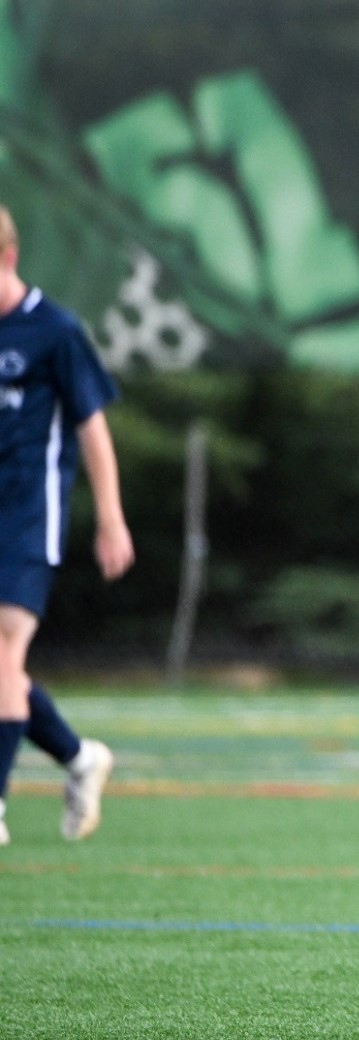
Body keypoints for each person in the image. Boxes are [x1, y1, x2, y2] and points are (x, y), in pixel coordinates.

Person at [0, 202, 128, 846]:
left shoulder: (53, 331)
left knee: (2, 649)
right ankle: (79, 758)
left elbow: (92, 428)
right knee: (2, 668)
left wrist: (110, 518)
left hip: (27, 518)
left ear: (9, 258)